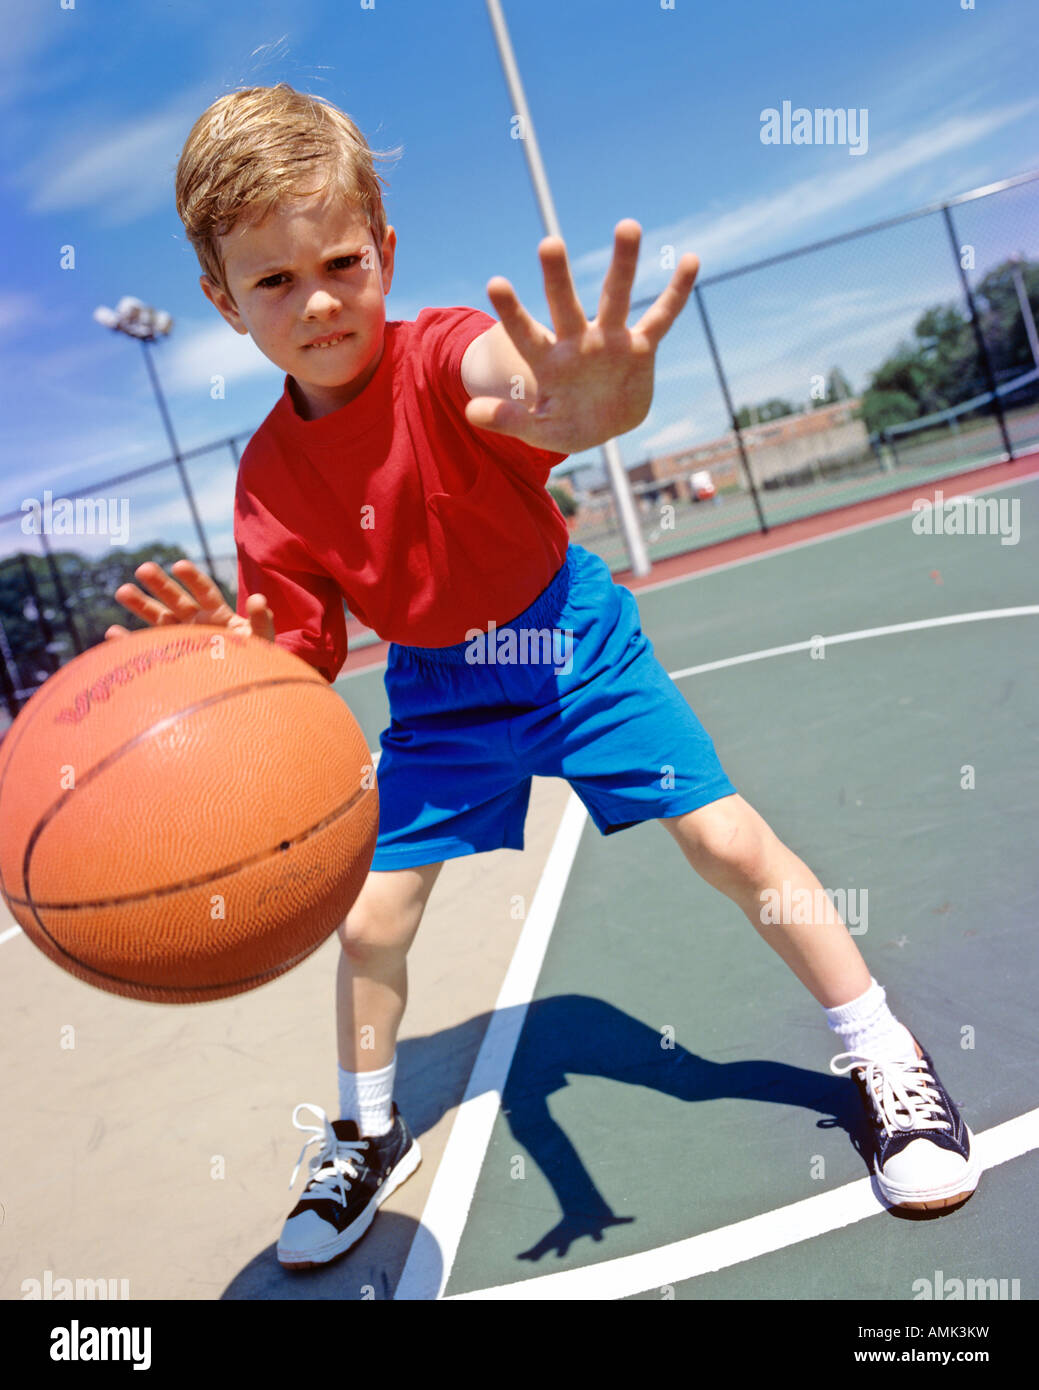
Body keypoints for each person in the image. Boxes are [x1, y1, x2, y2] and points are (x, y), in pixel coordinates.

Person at [107, 83, 979, 1271]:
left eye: (341, 262)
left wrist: (596, 392)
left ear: (385, 251)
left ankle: (882, 1051)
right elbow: (304, 655)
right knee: (369, 921)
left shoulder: (442, 356)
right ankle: (367, 1131)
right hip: (438, 697)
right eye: (273, 281)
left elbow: (530, 385)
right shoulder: (267, 477)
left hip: (569, 645)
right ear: (221, 301)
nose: (316, 299)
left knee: (727, 844)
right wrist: (237, 654)